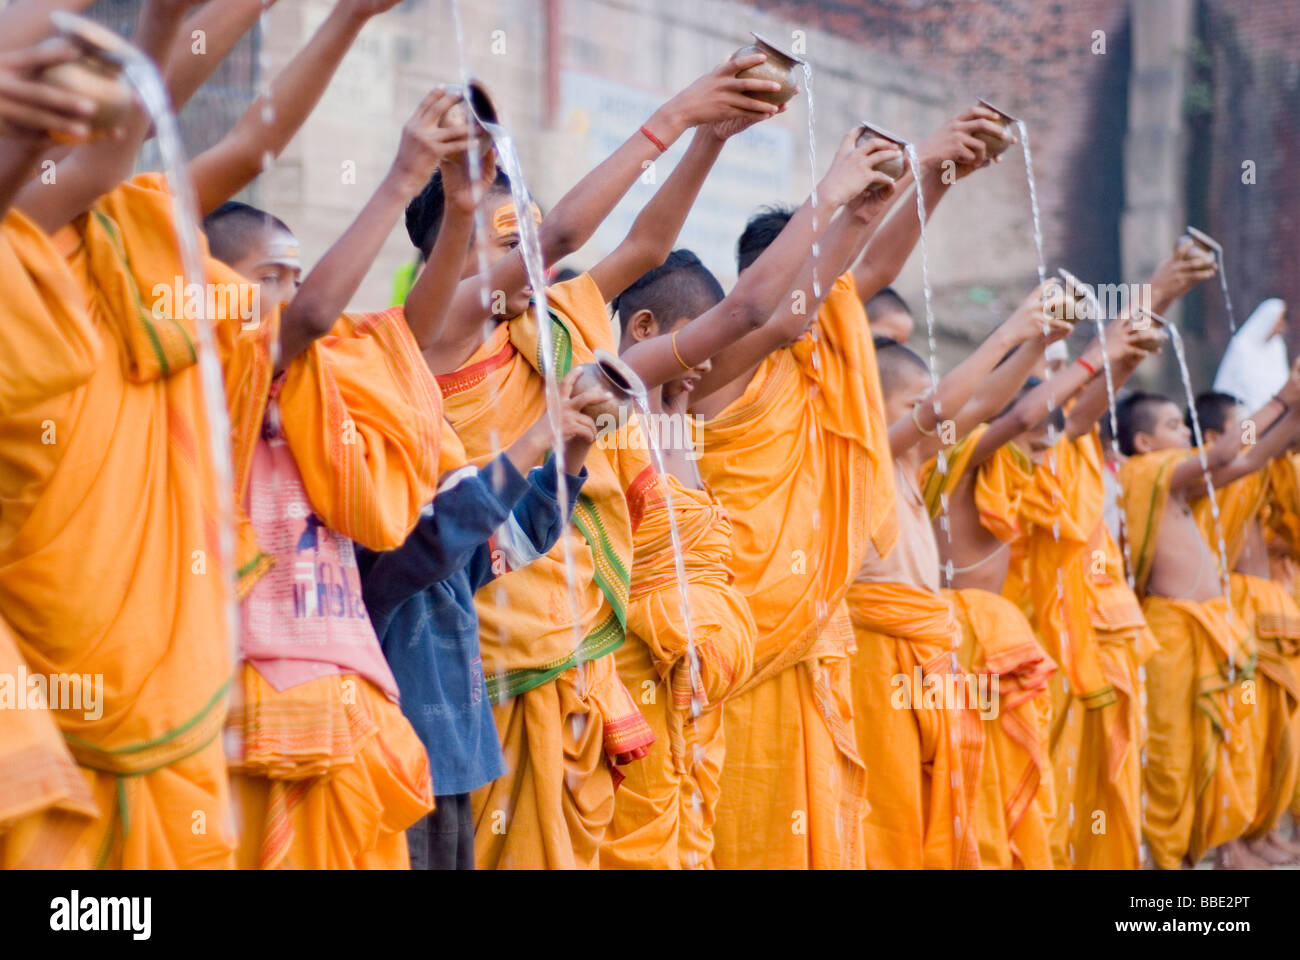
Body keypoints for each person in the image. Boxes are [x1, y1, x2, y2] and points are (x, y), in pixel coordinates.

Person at [408, 55, 782, 869]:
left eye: (532, 233)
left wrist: (711, 139)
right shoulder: (424, 342)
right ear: (444, 254)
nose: (534, 255)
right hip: (488, 673)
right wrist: (677, 110)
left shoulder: (555, 325)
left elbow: (649, 241)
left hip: (580, 656)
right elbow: (571, 237)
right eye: (511, 238)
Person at [205, 89, 469, 868]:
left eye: (294, 274)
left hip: (347, 699)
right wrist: (402, 174)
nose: (286, 292)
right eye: (267, 276)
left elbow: (409, 333)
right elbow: (315, 315)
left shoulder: (327, 377)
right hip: (247, 697)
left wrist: (456, 210)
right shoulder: (212, 372)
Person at [851, 286, 1067, 869]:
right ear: (873, 406)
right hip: (876, 661)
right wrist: (1012, 331)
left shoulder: (912, 465)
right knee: (891, 808)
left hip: (926, 656)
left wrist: (1035, 347)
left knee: (940, 801)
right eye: (913, 404)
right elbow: (949, 409)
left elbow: (977, 409)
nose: (936, 411)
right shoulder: (865, 455)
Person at [360, 371, 611, 869]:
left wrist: (574, 449)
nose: (460, 479)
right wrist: (539, 434)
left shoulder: (452, 566)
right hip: (399, 776)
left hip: (450, 776)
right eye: (443, 472)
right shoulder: (380, 558)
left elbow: (524, 533)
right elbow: (447, 531)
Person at [1116, 373, 1300, 869]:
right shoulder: (1144, 475)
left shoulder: (1179, 489)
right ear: (1143, 442)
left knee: (1218, 747)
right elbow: (1222, 454)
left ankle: (1215, 846)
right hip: (1174, 632)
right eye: (1175, 426)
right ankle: (1168, 858)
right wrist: (1282, 397)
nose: (1185, 436)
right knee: (1173, 759)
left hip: (1211, 632)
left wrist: (1295, 416)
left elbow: (1251, 460)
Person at [1186, 392, 1300, 865]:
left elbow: (1271, 451)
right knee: (1238, 735)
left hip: (1265, 612)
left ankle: (1260, 830)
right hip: (1232, 614)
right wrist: (1283, 401)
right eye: (1243, 424)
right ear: (1215, 437)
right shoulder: (1205, 471)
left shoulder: (1255, 472)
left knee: (1278, 735)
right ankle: (1229, 844)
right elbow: (1255, 447)